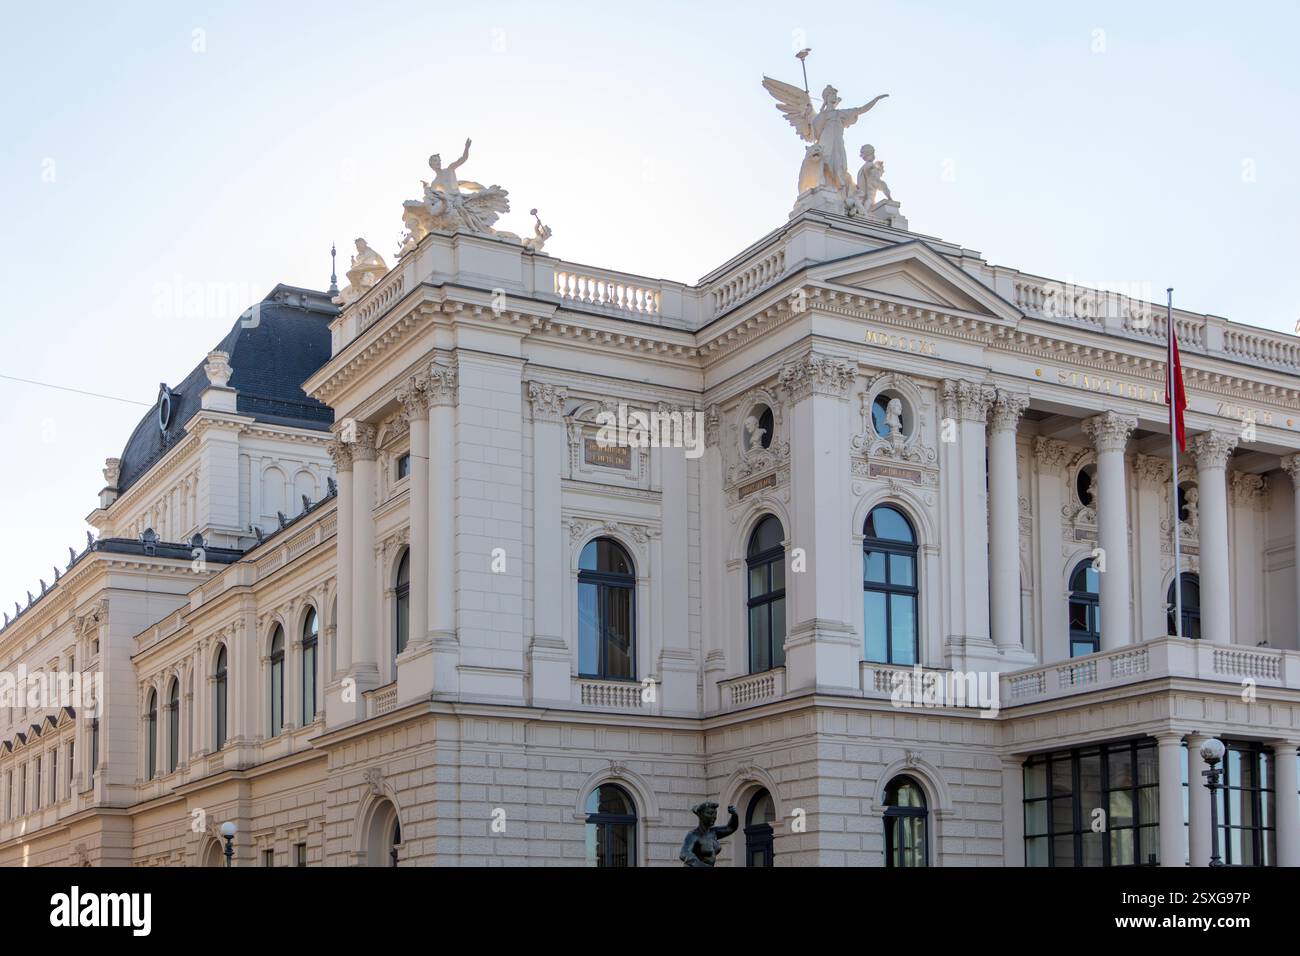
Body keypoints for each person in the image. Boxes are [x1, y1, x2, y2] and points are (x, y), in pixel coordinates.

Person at [679, 801, 738, 867]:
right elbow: (684, 854)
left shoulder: (714, 832)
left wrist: (734, 815)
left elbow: (731, 828)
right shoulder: (693, 835)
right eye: (710, 813)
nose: (714, 816)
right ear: (700, 814)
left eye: (715, 814)